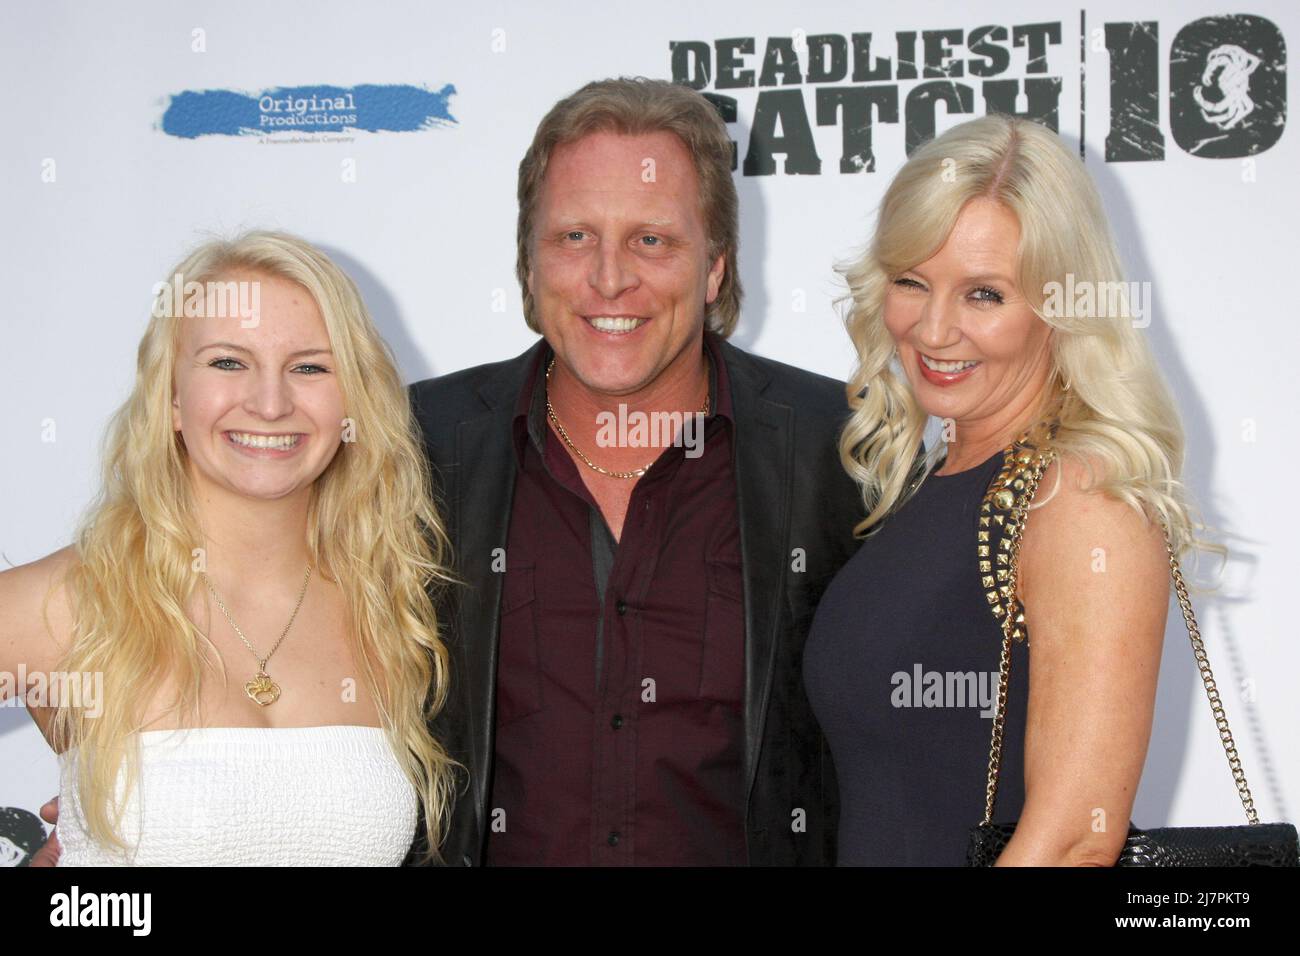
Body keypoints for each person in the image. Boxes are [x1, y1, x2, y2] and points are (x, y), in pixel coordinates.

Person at [407, 76, 865, 865]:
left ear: (715, 267)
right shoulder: (418, 445)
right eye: (574, 237)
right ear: (528, 261)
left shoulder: (842, 451)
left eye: (652, 240)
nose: (610, 278)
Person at [803, 113, 1217, 865]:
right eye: (911, 282)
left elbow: (1072, 844)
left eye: (984, 295)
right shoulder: (939, 473)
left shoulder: (1080, 496)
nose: (933, 330)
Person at [3, 231, 459, 865]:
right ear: (169, 398)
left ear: (353, 398)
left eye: (309, 367)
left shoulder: (392, 608)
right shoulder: (60, 605)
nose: (270, 403)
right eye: (226, 362)